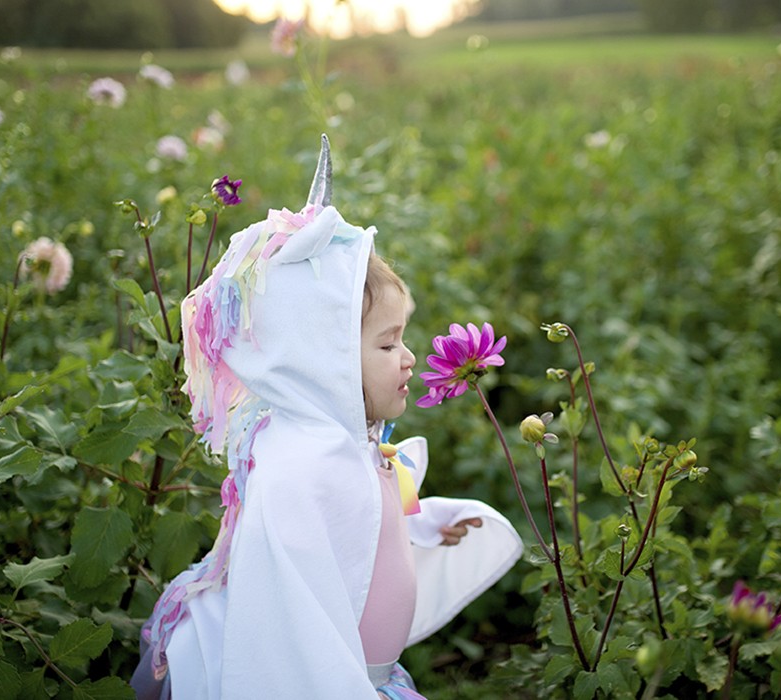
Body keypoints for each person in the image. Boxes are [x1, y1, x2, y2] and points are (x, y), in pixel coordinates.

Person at [131, 137, 523, 698]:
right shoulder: (302, 468)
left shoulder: (352, 444)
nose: (409, 357)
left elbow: (359, 532)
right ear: (323, 365)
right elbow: (288, 619)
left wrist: (427, 524)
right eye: (388, 346)